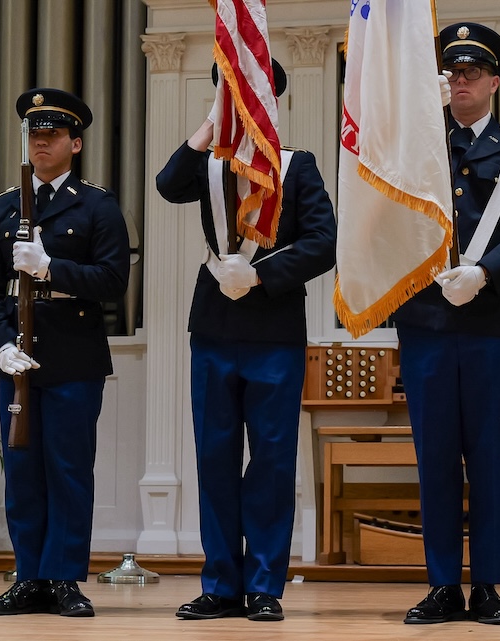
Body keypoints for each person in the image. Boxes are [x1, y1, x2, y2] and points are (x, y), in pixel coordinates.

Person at [155, 60, 336, 622]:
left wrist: (261, 273)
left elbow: (324, 243)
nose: (238, 105)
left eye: (247, 95)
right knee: (214, 459)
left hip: (273, 329)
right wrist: (210, 123)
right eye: (228, 94)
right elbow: (167, 185)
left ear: (271, 101)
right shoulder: (208, 166)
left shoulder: (295, 167)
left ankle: (264, 585)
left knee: (272, 462)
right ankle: (221, 584)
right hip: (213, 327)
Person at [391, 23, 500, 626]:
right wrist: (423, 127)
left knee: (489, 456)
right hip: (427, 320)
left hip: (491, 320)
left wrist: (485, 272)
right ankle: (441, 584)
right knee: (434, 457)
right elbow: (386, 209)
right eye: (451, 72)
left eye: (471, 72)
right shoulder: (417, 144)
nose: (459, 80)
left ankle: (486, 584)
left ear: (493, 82)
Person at [0, 88, 130, 617]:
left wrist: (50, 269)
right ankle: (29, 577)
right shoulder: (2, 209)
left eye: (53, 135)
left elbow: (113, 280)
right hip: (18, 358)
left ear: (75, 143)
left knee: (67, 469)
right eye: (35, 135)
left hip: (72, 355)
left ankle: (65, 578)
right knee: (22, 472)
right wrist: (0, 346)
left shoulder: (97, 206)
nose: (42, 143)